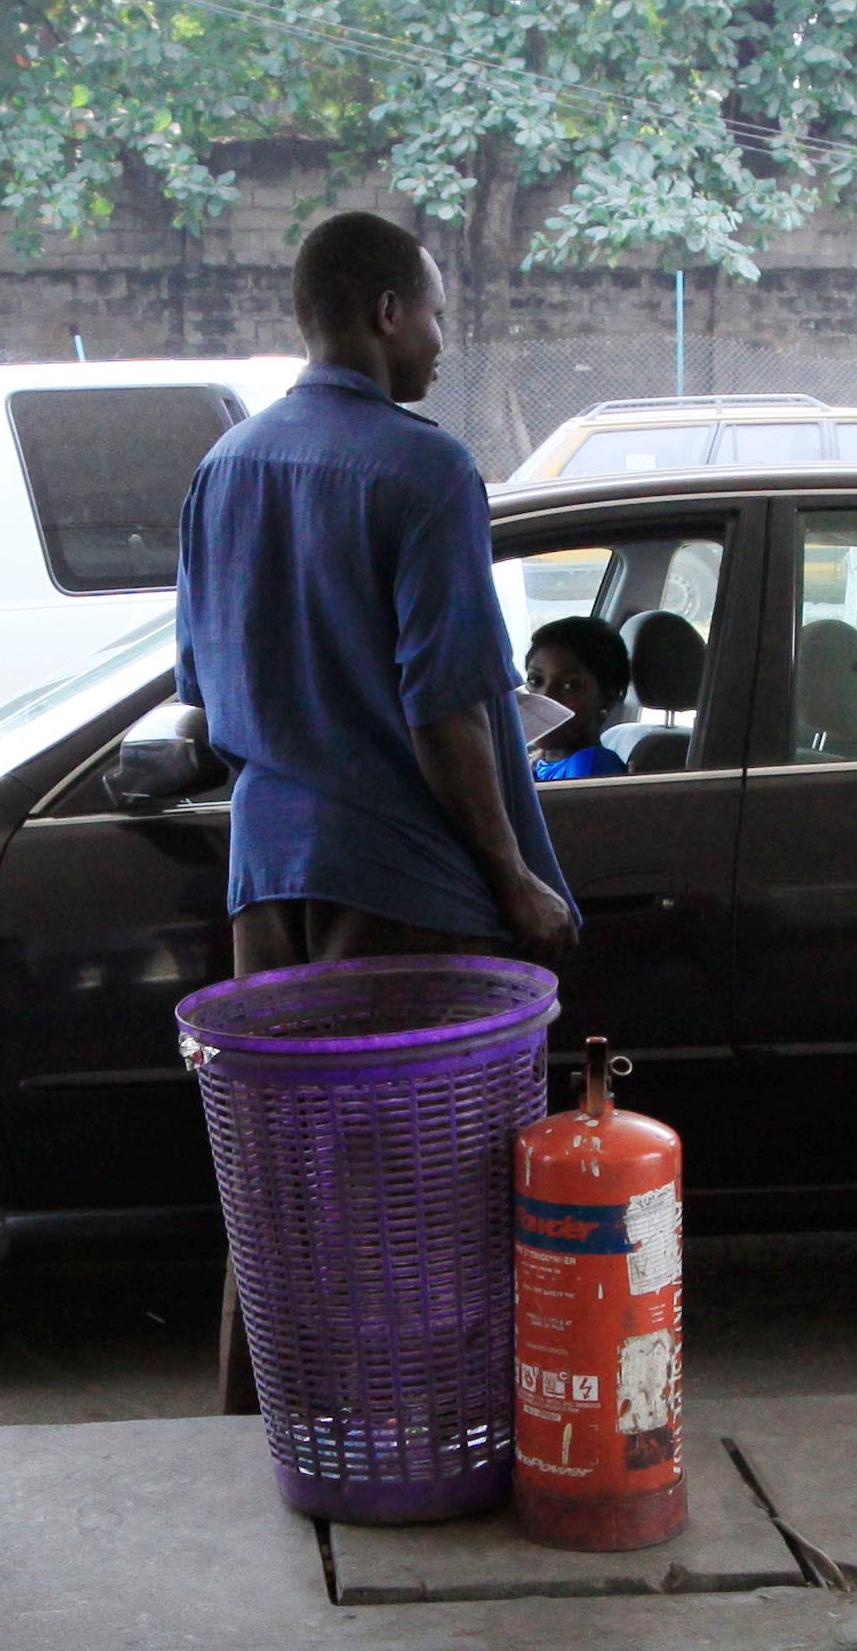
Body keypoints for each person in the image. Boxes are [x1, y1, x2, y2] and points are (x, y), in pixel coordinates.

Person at [172, 212, 581, 1410]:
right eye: (438, 315)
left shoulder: (224, 468)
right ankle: (415, 1442)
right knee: (420, 1196)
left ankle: (268, 1424)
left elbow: (203, 690)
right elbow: (447, 706)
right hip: (402, 882)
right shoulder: (425, 468)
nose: (444, 346)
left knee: (281, 1187)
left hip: (267, 883)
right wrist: (515, 878)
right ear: (388, 311)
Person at [524, 617, 633, 782]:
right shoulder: (533, 763)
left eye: (569, 686)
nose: (545, 697)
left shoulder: (591, 764)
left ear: (606, 699)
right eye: (535, 681)